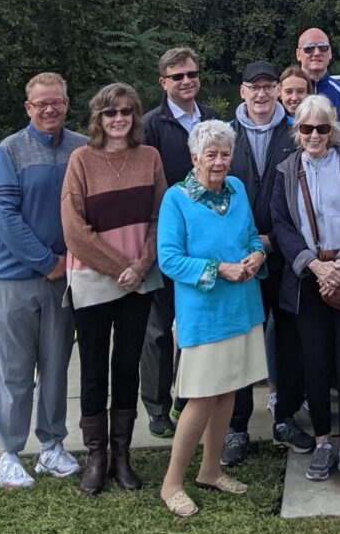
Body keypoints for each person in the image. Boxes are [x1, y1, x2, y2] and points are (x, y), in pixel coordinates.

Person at [271, 94, 340, 485]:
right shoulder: (286, 170)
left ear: (333, 129)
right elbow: (281, 224)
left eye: (322, 128)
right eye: (307, 128)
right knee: (315, 365)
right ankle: (322, 443)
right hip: (308, 281)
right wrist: (314, 265)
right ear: (297, 131)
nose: (315, 135)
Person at [157, 120, 268, 517]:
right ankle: (171, 483)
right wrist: (219, 269)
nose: (219, 162)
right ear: (194, 158)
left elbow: (252, 236)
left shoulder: (237, 189)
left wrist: (257, 255)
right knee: (201, 397)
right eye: (211, 155)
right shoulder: (176, 199)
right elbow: (169, 259)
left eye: (225, 154)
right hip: (204, 313)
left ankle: (209, 469)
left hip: (242, 306)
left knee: (229, 391)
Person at [61, 82, 167, 496]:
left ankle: (122, 456)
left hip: (138, 285)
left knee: (126, 370)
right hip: (93, 281)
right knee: (92, 372)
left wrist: (141, 266)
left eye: (125, 111)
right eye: (110, 113)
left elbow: (160, 218)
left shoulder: (150, 158)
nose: (118, 118)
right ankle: (96, 457)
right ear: (98, 119)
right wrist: (122, 267)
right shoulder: (81, 160)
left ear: (135, 116)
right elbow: (74, 229)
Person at [0, 72, 85, 489]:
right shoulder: (9, 150)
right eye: (41, 103)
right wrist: (47, 261)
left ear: (66, 103)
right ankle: (8, 452)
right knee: (12, 371)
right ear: (28, 108)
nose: (50, 109)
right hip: (15, 278)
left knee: (56, 366)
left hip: (64, 277)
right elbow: (5, 217)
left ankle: (52, 447)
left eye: (57, 102)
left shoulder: (81, 147)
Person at [224, 60, 310, 465]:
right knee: (242, 341)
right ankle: (236, 427)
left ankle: (286, 417)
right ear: (241, 91)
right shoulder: (225, 134)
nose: (261, 94)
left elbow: (304, 197)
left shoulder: (297, 132)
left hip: (284, 253)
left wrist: (275, 241)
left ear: (279, 90)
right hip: (239, 258)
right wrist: (243, 245)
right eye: (252, 87)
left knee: (289, 338)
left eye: (268, 86)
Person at [141, 46, 220, 440]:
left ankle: (186, 398)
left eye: (191, 74)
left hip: (205, 243)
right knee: (159, 328)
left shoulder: (211, 120)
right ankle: (156, 408)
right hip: (167, 240)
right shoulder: (151, 126)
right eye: (178, 77)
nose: (186, 81)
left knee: (194, 327)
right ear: (163, 83)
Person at [296, 27, 340, 141]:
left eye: (323, 48)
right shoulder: (286, 93)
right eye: (309, 48)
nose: (316, 53)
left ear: (330, 53)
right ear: (298, 54)